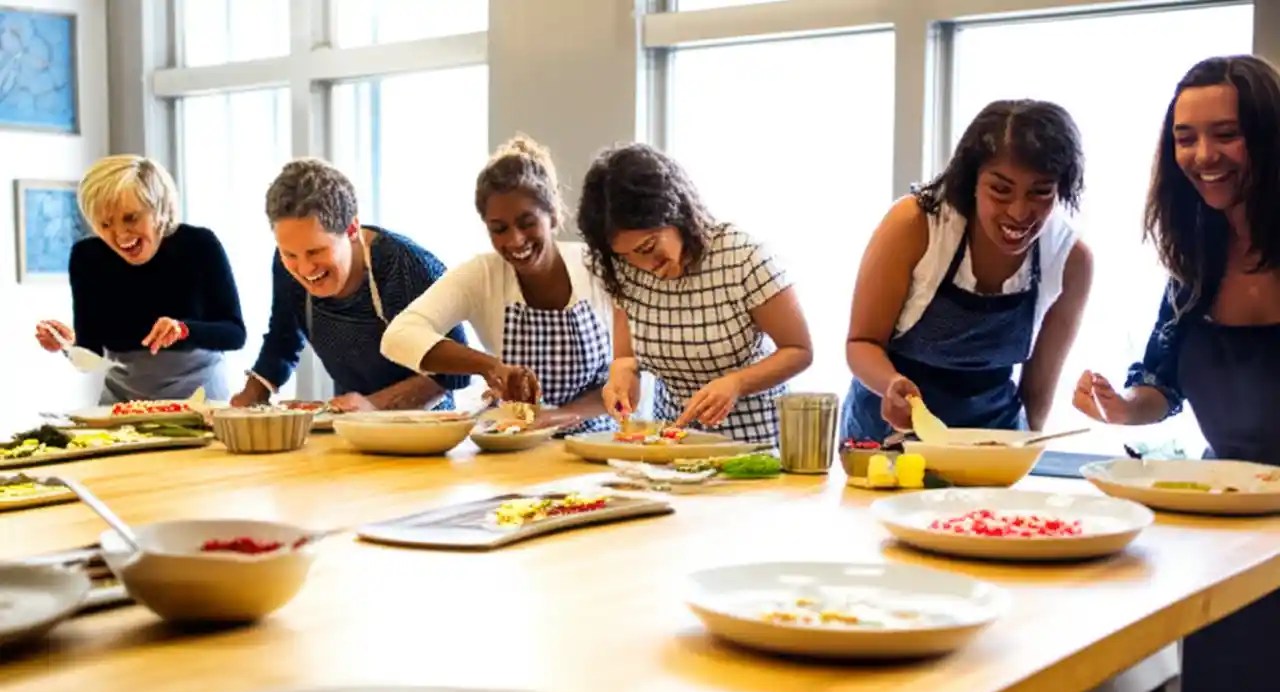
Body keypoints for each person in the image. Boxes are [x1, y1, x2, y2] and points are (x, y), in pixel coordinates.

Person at [1072, 55, 1280, 692]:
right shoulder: (1195, 264)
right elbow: (1159, 386)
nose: (1203, 155)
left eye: (1226, 133)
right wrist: (1120, 406)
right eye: (1185, 137)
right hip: (1227, 537)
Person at [840, 99, 1093, 443]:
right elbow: (862, 342)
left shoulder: (1070, 259)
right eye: (1000, 190)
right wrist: (891, 384)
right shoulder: (916, 225)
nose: (1019, 212)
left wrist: (1025, 453)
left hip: (992, 442)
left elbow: (1037, 389)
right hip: (890, 436)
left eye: (1041, 192)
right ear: (972, 180)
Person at [577, 142, 812, 445]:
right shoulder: (624, 270)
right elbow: (626, 358)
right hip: (674, 441)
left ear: (675, 213)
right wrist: (621, 380)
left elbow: (799, 350)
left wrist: (736, 383)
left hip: (753, 443)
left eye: (649, 247)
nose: (644, 265)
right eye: (626, 255)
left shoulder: (742, 257)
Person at [382, 136, 614, 433]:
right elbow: (398, 337)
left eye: (527, 222)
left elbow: (626, 378)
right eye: (499, 229)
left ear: (553, 214)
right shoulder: (482, 275)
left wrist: (562, 415)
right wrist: (490, 367)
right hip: (516, 443)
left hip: (596, 444)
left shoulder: (595, 268)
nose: (514, 240)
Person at [230, 158, 469, 412]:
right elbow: (283, 340)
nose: (304, 269)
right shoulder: (285, 266)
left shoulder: (405, 265)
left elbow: (456, 372)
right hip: (350, 426)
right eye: (290, 254)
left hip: (423, 431)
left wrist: (373, 406)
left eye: (316, 251)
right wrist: (249, 398)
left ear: (352, 228)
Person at [33, 155, 246, 403]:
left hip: (201, 399)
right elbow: (90, 353)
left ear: (159, 209)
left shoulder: (199, 246)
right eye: (105, 224)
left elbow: (234, 334)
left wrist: (184, 330)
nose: (120, 234)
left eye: (131, 218)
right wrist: (67, 345)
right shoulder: (87, 258)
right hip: (123, 403)